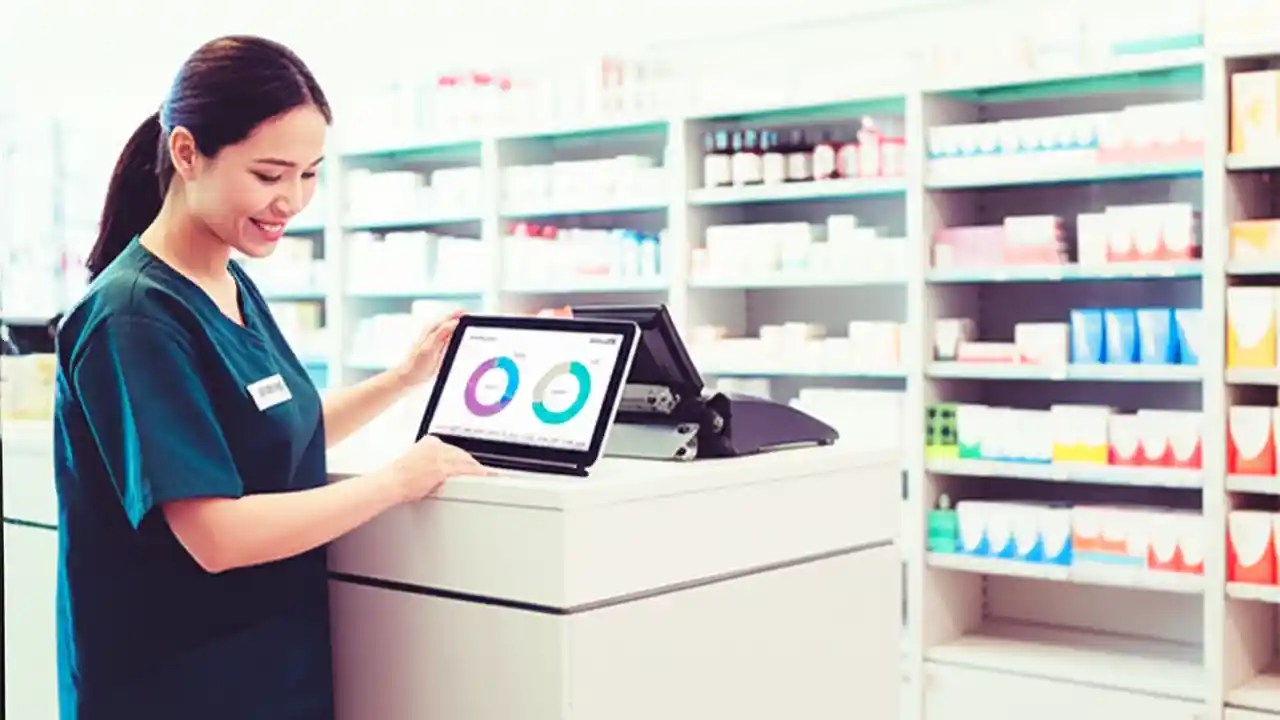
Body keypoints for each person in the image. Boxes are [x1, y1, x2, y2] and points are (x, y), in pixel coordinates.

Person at [51, 35, 490, 720]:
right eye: (269, 174)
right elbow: (217, 535)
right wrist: (397, 481)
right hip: (174, 688)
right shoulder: (132, 316)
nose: (292, 200)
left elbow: (275, 429)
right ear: (188, 152)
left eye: (310, 174)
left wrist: (402, 379)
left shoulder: (228, 281)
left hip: (267, 674)